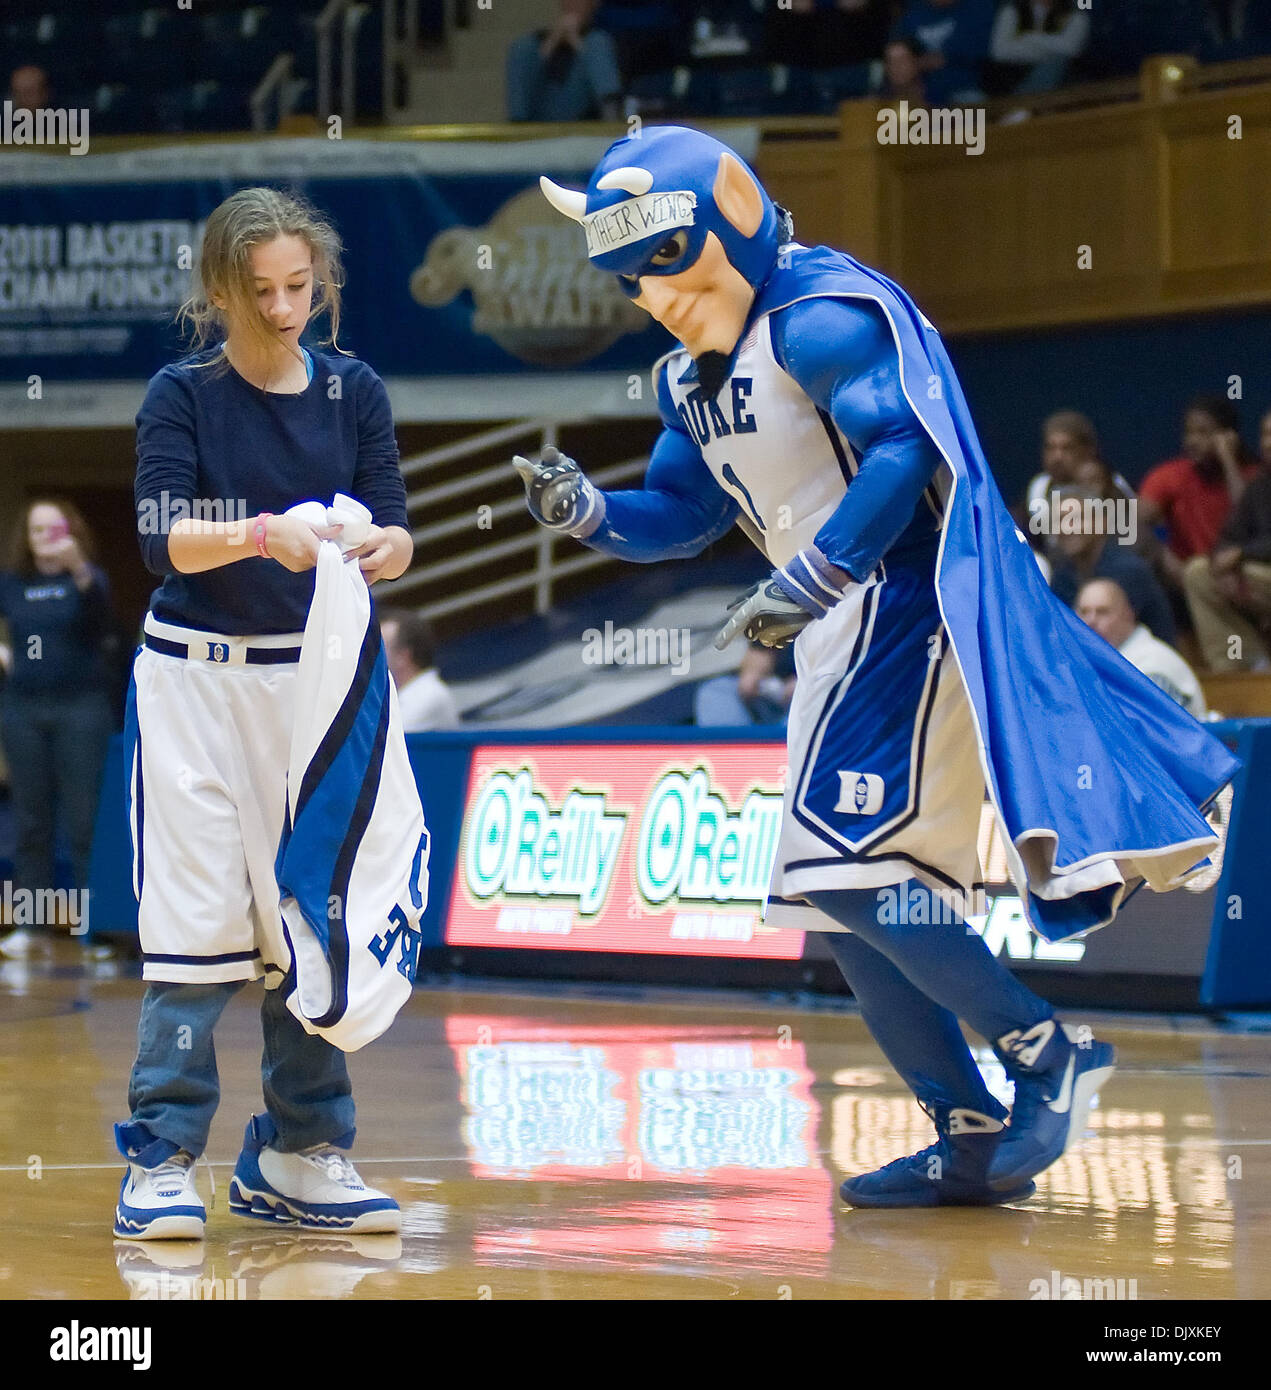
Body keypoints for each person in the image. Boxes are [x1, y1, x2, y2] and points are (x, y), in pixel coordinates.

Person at [520, 126, 1235, 1208]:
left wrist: (815, 572)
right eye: (628, 278)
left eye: (664, 264)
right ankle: (965, 1132)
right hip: (829, 627)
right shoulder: (689, 374)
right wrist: (589, 513)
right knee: (831, 892)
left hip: (904, 598)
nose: (650, 296)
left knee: (846, 876)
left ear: (729, 219)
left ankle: (1049, 1053)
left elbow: (902, 450)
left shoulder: (819, 313)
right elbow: (680, 511)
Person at [116, 186, 414, 1241]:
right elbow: (163, 539)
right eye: (263, 291)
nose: (286, 308)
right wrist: (258, 534)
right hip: (195, 683)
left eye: (300, 287)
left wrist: (384, 546)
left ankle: (299, 1148)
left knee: (313, 919)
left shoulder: (354, 391)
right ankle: (159, 1159)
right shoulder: (181, 394)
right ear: (218, 290)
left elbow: (396, 528)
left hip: (315, 682)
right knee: (194, 930)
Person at [0, 499, 116, 959]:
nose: (45, 538)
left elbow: (107, 629)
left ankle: (98, 928)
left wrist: (80, 571)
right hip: (24, 709)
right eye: (36, 531)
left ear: (70, 530)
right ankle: (32, 926)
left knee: (85, 819)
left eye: (53, 529)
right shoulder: (12, 583)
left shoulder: (88, 579)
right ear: (25, 540)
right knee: (31, 820)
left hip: (80, 708)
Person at [1139, 396, 1260, 592]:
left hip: (1239, 574)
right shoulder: (1171, 475)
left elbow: (1248, 516)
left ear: (1228, 436)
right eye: (1189, 432)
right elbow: (1133, 521)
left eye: (1203, 433)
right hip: (1187, 577)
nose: (1192, 441)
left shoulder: (1254, 477)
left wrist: (1228, 459)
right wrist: (1162, 554)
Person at [1182, 406, 1271, 672]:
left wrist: (1242, 554)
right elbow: (1228, 536)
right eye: (1265, 434)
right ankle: (1245, 668)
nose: (1268, 442)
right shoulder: (1260, 486)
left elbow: (1241, 548)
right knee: (1199, 572)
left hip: (1258, 567)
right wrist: (1225, 564)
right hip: (1259, 575)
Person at [1045, 486, 1176, 645]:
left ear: (1102, 522)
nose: (1066, 528)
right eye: (1058, 521)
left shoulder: (1128, 570)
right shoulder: (1061, 576)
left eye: (1076, 519)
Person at [1077, 579, 1207, 719]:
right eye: (1084, 612)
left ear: (1128, 615)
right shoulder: (1092, 662)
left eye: (1102, 612)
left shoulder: (1154, 664)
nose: (1090, 621)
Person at [506, 0, 622, 122]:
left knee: (597, 42)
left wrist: (576, 42)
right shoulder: (532, 44)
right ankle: (517, 129)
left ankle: (611, 124)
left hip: (584, 120)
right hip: (538, 117)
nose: (574, 4)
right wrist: (552, 42)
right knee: (523, 48)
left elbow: (601, 76)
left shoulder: (597, 41)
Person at [890, 0, 997, 104]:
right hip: (916, 90)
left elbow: (979, 52)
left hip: (963, 89)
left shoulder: (978, 7)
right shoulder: (914, 10)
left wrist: (921, 62)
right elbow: (896, 49)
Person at [378, 608, 460, 731]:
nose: (373, 655)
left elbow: (386, 735)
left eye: (380, 647)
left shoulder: (430, 694)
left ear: (403, 656)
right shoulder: (397, 693)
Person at [987, 0, 1090, 95]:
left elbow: (1071, 48)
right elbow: (999, 52)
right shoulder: (1012, 10)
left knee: (1056, 63)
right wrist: (1045, 52)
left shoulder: (1075, 15)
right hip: (1012, 76)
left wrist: (1030, 38)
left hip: (1059, 81)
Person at [695, 640, 795, 726]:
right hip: (768, 690)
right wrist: (753, 672)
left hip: (798, 701)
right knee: (716, 691)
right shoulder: (717, 690)